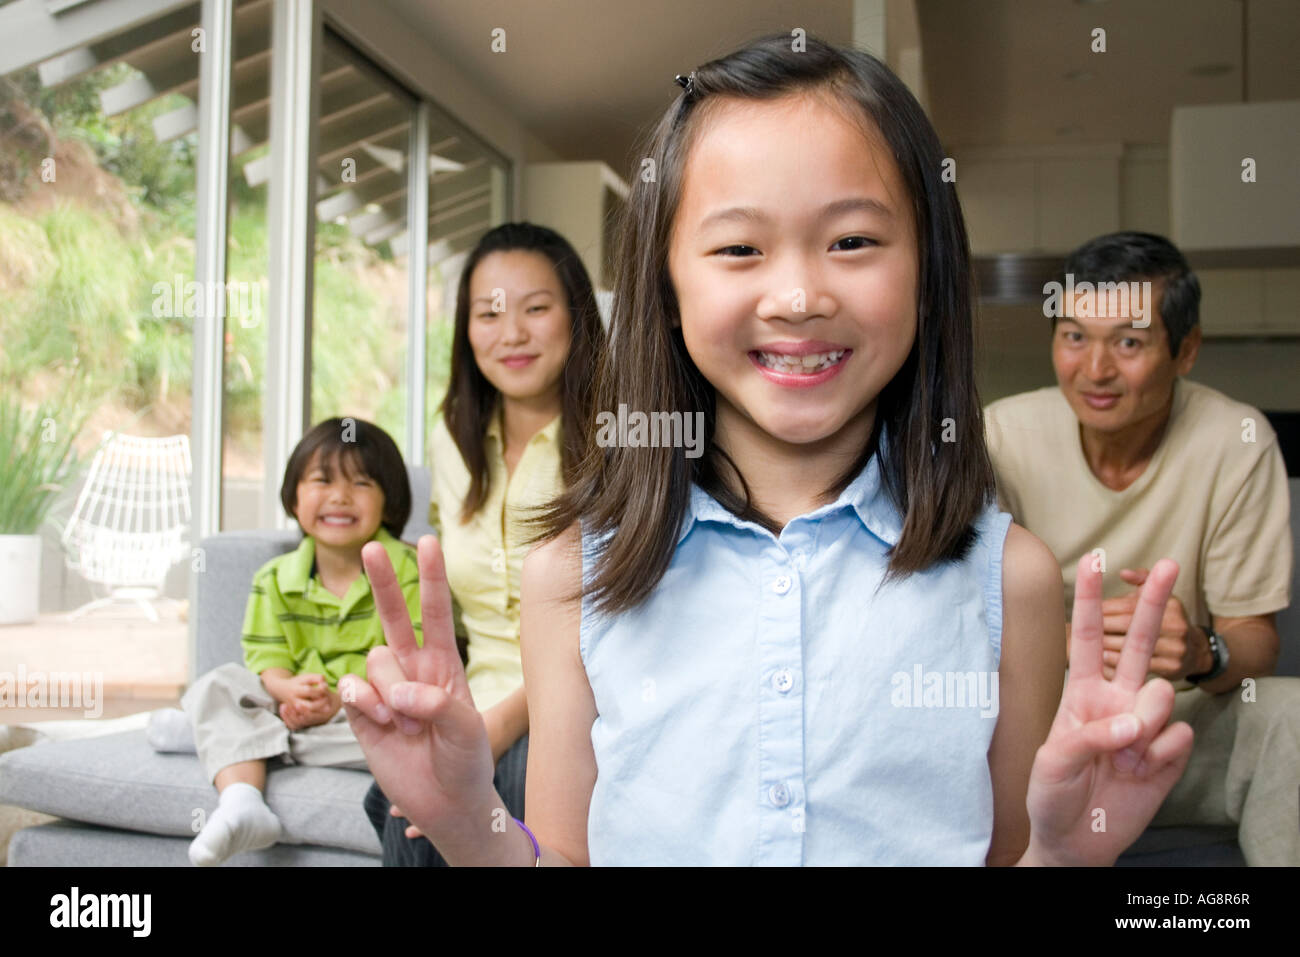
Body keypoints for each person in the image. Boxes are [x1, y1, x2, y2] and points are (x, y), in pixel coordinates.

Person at [342, 33, 1193, 866]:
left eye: (852, 240)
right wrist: (466, 821)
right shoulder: (570, 575)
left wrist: (1066, 858)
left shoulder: (1010, 581)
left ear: (928, 270)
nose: (798, 295)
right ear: (667, 287)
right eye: (739, 248)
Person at [984, 231, 1295, 865]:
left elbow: (1256, 643)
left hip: (1172, 723)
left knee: (1290, 716)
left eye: (1128, 342)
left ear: (1187, 351)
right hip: (1038, 719)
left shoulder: (1237, 440)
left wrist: (1204, 652)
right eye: (1074, 337)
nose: (1095, 370)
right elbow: (958, 616)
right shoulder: (1000, 435)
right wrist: (1065, 642)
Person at [361, 222, 605, 865]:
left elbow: (609, 627)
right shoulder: (451, 438)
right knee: (400, 796)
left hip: (579, 707)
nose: (512, 334)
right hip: (470, 696)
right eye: (489, 313)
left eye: (536, 309)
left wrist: (492, 729)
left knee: (476, 793)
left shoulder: (620, 442)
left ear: (576, 318)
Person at [165, 417, 420, 866]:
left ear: (389, 501)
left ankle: (233, 742)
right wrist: (285, 688)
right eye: (322, 480)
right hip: (291, 710)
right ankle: (242, 799)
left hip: (365, 717)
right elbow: (267, 657)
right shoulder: (274, 578)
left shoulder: (406, 569)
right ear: (293, 495)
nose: (340, 496)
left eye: (361, 483)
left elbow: (410, 658)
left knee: (410, 726)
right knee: (220, 683)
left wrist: (341, 700)